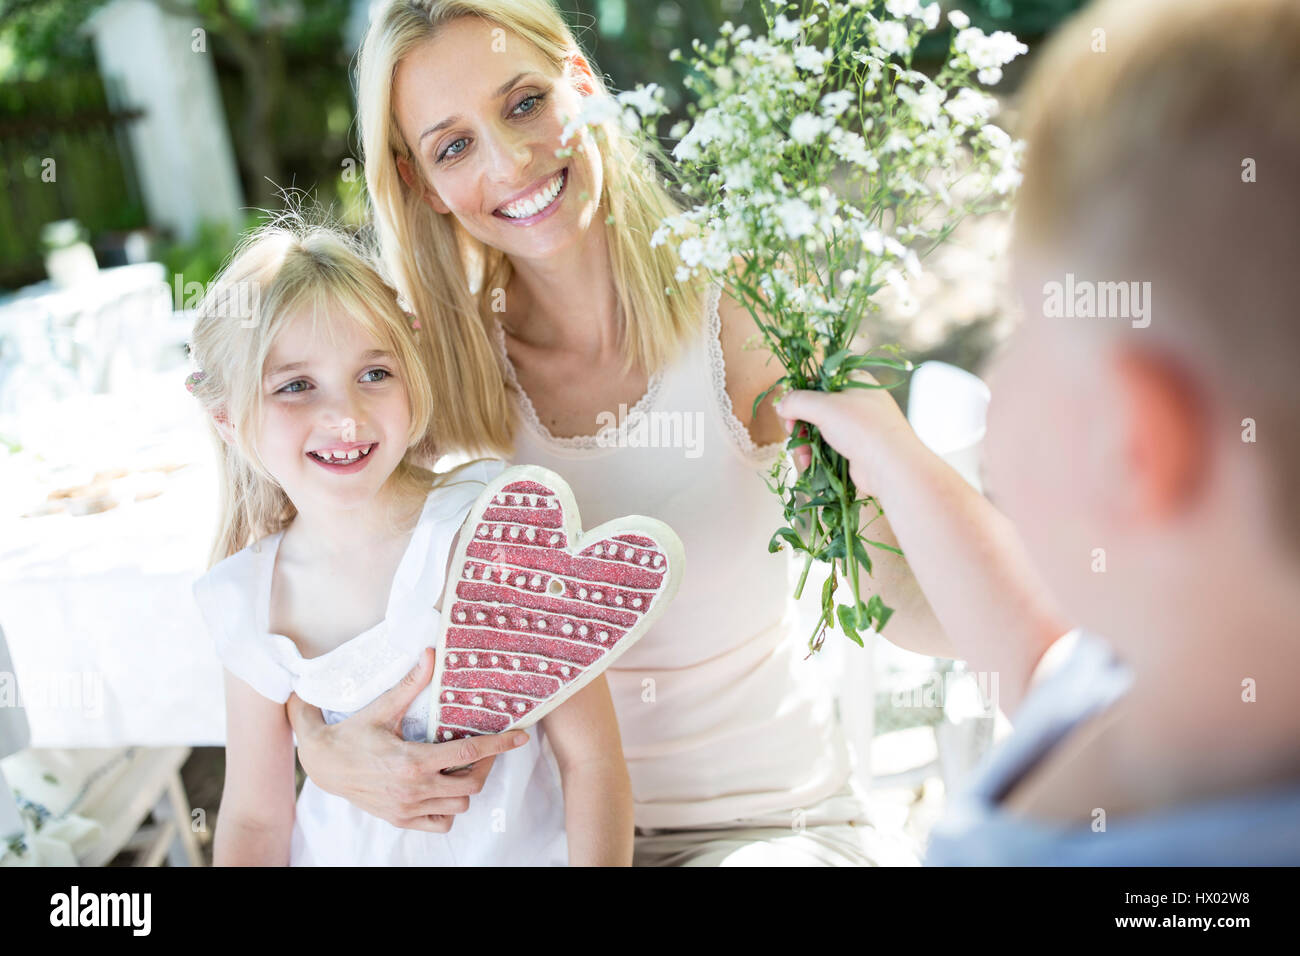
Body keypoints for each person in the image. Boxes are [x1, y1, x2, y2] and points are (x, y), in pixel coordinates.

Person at [285, 0, 1021, 866]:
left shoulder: (741, 309)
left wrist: (1063, 651)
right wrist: (316, 748)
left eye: (525, 103)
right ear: (420, 184)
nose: (513, 158)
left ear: (583, 85)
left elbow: (895, 581)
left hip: (763, 831)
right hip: (537, 845)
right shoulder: (423, 382)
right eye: (454, 146)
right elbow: (297, 582)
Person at [776, 0, 1300, 863]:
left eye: (1023, 327)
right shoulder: (1177, 671)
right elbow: (1046, 667)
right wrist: (895, 465)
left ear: (1131, 441)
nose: (992, 376)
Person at [187, 217, 633, 865]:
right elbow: (257, 819)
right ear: (227, 419)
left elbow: (592, 761)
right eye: (295, 386)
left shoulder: (483, 532)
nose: (345, 417)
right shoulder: (246, 598)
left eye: (374, 373)